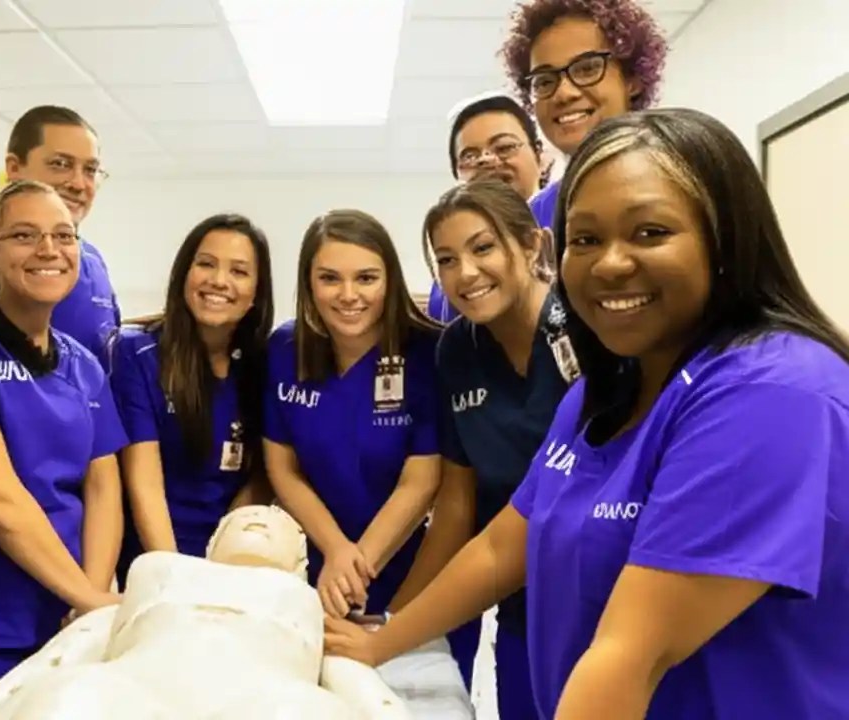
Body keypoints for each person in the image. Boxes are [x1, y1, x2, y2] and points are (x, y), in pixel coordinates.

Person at [326, 108, 849, 719]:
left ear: (727, 235)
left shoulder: (770, 392)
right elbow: (501, 547)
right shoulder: (605, 389)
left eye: (650, 232)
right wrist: (378, 642)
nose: (609, 264)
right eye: (587, 238)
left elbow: (631, 657)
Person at [0, 505, 471, 720]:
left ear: (300, 561)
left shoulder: (304, 601)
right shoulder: (158, 570)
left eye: (277, 522)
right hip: (130, 689)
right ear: (213, 539)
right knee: (71, 698)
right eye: (245, 517)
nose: (262, 518)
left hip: (266, 701)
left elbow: (359, 688)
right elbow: (64, 655)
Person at [0, 180, 128, 712]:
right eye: (24, 235)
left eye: (64, 236)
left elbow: (104, 484)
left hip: (67, 618)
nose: (49, 250)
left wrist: (87, 600)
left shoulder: (83, 364)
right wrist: (87, 598)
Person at [402, 179, 570, 719]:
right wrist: (394, 621)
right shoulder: (457, 350)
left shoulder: (585, 332)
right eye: (446, 259)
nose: (465, 274)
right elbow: (456, 504)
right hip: (522, 605)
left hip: (606, 591)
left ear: (531, 245)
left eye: (483, 248)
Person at [264, 210, 445, 621]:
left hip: (413, 576)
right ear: (309, 283)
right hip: (314, 575)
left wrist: (354, 568)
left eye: (366, 278)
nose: (348, 295)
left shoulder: (429, 353)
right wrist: (336, 550)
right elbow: (283, 469)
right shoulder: (285, 349)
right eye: (330, 278)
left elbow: (421, 482)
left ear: (390, 281)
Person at [109, 214, 275, 584]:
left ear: (256, 294)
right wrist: (175, 577)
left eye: (239, 271)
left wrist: (224, 557)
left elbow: (264, 475)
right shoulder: (137, 353)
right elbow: (144, 482)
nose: (219, 281)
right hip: (154, 565)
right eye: (206, 264)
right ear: (184, 273)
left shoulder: (263, 364)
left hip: (231, 564)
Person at [500, 0, 667, 229]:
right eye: (545, 81)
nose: (563, 94)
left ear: (632, 80)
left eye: (587, 68)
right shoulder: (534, 219)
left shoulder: (685, 180)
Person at [4, 106, 120, 363]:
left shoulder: (92, 261)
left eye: (90, 170)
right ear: (14, 168)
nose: (79, 184)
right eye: (60, 164)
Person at [428, 91, 546, 322]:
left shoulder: (566, 220)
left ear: (540, 156)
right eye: (469, 156)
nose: (486, 160)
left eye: (504, 147)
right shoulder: (447, 278)